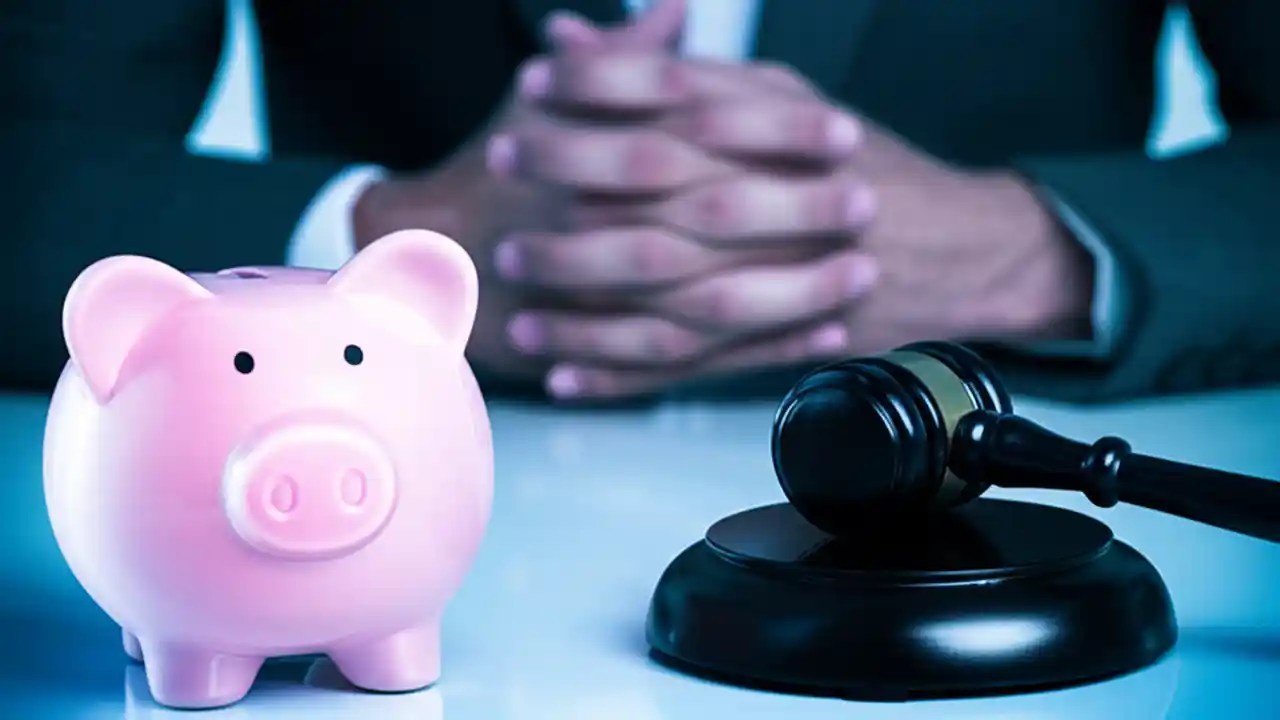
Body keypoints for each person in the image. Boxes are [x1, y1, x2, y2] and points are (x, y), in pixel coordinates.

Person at [4, 0, 1277, 403]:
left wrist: (1030, 255)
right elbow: (29, 159)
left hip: (1037, 519)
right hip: (365, 509)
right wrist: (371, 254)